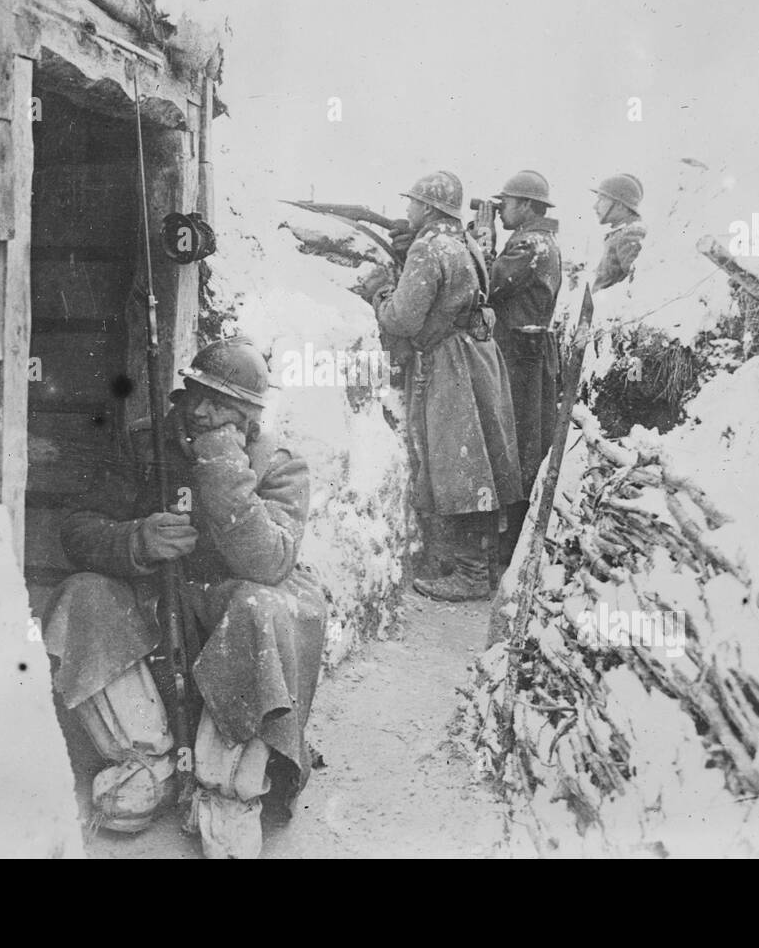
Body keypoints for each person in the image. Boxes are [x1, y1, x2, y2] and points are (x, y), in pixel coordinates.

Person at [43, 337, 326, 859]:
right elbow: (78, 530)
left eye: (221, 405)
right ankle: (145, 762)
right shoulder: (144, 443)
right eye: (195, 392)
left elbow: (269, 563)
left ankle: (228, 790)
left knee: (260, 606)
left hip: (234, 621)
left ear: (249, 417)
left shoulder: (280, 464)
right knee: (81, 594)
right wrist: (136, 539)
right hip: (153, 609)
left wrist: (221, 465)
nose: (199, 411)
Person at [358, 169, 523, 602]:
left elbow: (403, 318)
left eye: (412, 203)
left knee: (459, 465)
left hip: (451, 364)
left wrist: (378, 294)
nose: (407, 209)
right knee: (478, 462)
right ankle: (480, 568)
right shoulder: (464, 242)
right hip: (477, 356)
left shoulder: (428, 248)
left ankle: (469, 575)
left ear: (428, 208)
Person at [479, 171, 563, 560]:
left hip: (521, 358)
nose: (501, 210)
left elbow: (487, 285)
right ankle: (510, 543)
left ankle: (509, 547)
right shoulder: (542, 241)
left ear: (527, 206)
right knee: (524, 446)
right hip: (528, 355)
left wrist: (484, 238)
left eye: (507, 203)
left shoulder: (529, 244)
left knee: (517, 448)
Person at [590, 173, 647, 291]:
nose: (595, 206)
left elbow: (636, 286)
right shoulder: (622, 233)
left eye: (601, 200)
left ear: (620, 205)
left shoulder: (632, 234)